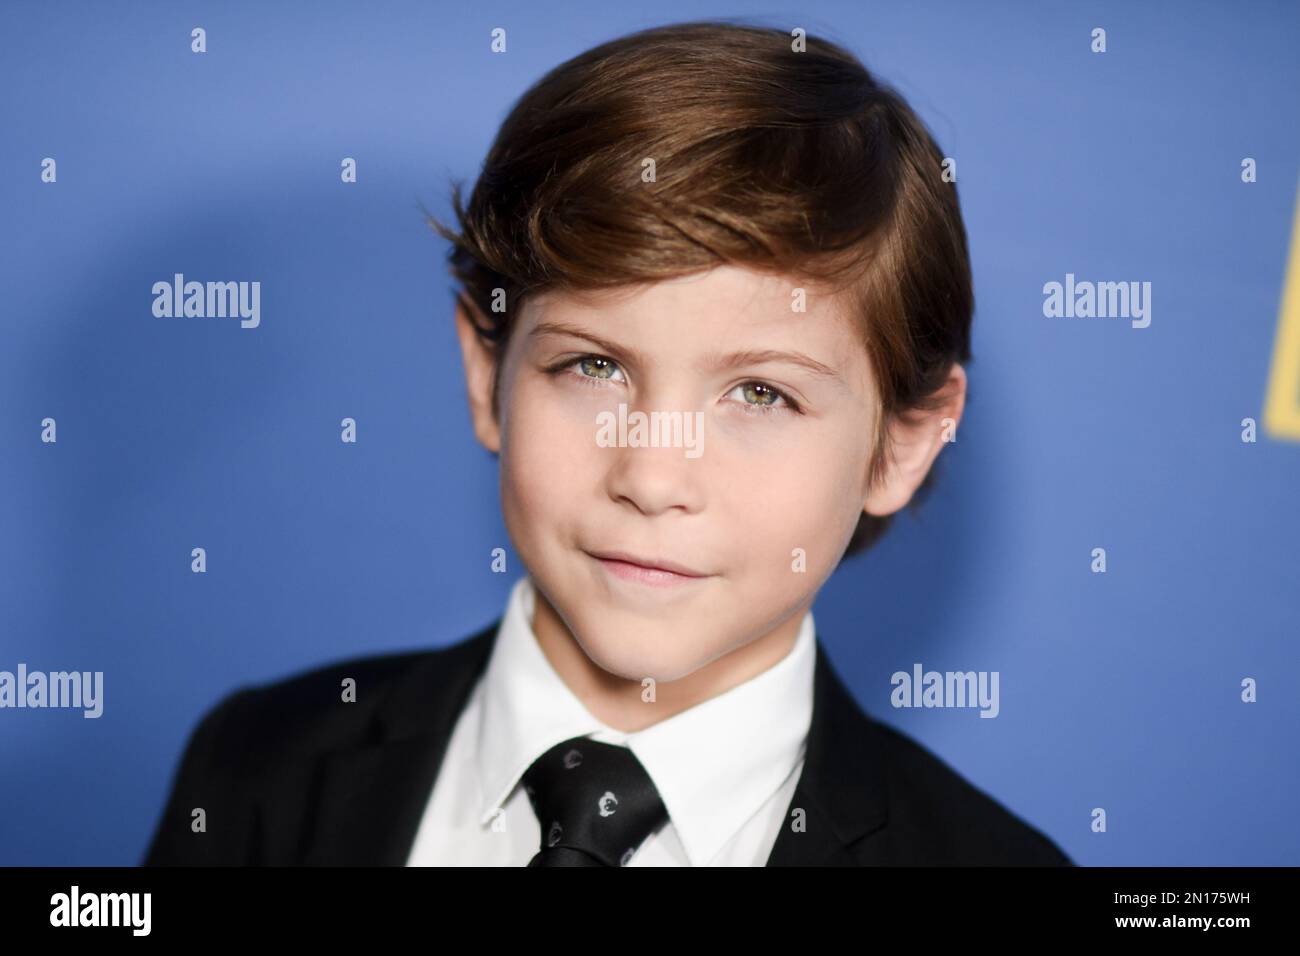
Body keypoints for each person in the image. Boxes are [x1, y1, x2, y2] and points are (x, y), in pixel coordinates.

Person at [143, 19, 1072, 867]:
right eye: (593, 368)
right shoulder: (257, 772)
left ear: (903, 443)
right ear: (487, 374)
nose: (653, 474)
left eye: (761, 393)